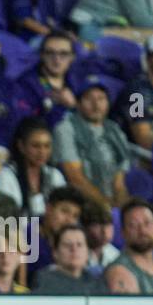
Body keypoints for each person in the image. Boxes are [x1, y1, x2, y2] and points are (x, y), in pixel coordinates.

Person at [52, 76, 133, 209]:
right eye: (89, 99)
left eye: (101, 99)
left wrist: (121, 208)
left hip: (110, 203)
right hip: (79, 203)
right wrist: (106, 206)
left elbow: (119, 182)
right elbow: (75, 177)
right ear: (77, 104)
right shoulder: (66, 128)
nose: (96, 105)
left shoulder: (114, 129)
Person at [0, 116, 67, 216]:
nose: (42, 152)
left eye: (47, 146)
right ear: (21, 146)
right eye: (36, 146)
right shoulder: (5, 177)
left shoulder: (55, 175)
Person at [32, 223, 106, 293]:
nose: (74, 249)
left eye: (79, 245)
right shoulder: (43, 281)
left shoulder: (95, 282)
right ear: (55, 252)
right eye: (67, 245)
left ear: (87, 252)